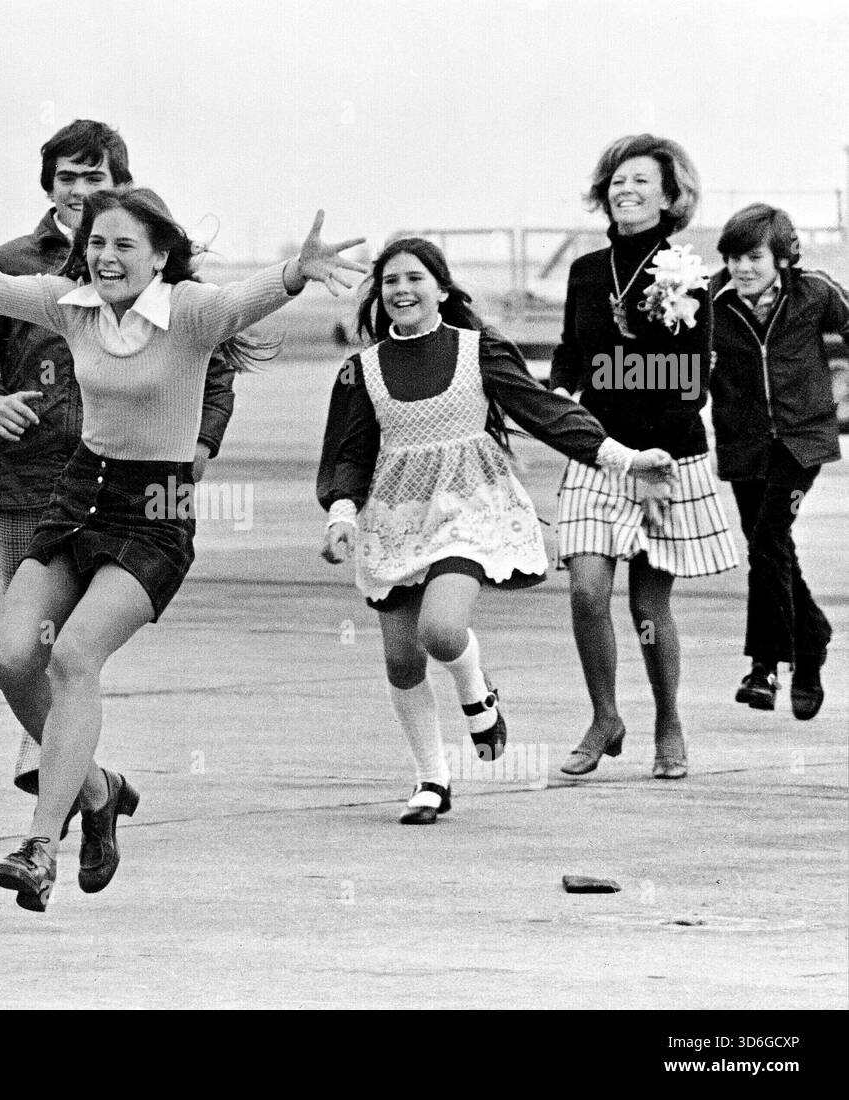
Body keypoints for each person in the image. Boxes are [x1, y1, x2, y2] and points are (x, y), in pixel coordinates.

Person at [0, 182, 364, 910]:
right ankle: (98, 791)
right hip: (79, 498)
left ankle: (39, 847)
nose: (106, 256)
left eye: (124, 244)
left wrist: (296, 271)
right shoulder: (69, 307)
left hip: (155, 513)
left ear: (160, 255)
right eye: (97, 242)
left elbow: (249, 299)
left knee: (72, 656)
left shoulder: (190, 314)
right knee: (11, 657)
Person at [318, 238, 677, 822]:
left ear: (441, 287)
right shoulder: (361, 369)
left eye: (415, 278)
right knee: (402, 664)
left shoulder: (477, 350)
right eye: (389, 282)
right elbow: (348, 454)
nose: (401, 290)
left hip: (470, 510)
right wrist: (340, 516)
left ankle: (474, 691)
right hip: (394, 519)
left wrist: (626, 459)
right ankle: (432, 780)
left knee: (441, 629)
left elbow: (545, 411)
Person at [0, 119, 236, 802]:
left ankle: (64, 785)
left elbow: (215, 374)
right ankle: (81, 784)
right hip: (31, 475)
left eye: (93, 177)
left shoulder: (154, 276)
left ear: (118, 187)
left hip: (133, 487)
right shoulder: (15, 262)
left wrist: (199, 446)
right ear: (49, 186)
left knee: (74, 649)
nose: (79, 189)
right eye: (67, 177)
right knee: (27, 642)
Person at [549, 134, 738, 780]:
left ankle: (668, 720)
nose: (625, 191)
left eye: (641, 183)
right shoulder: (585, 272)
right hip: (600, 455)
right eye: (617, 181)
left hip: (668, 457)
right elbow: (570, 360)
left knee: (648, 608)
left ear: (670, 196)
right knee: (586, 590)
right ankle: (606, 717)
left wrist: (651, 460)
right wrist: (554, 406)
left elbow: (691, 383)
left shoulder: (686, 272)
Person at [710, 203, 846, 719]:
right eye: (733, 257)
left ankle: (765, 665)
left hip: (800, 440)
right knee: (771, 546)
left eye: (754, 256)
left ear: (781, 257)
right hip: (744, 442)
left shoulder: (815, 293)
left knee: (769, 538)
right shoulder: (706, 301)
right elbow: (680, 366)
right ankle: (811, 641)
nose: (742, 267)